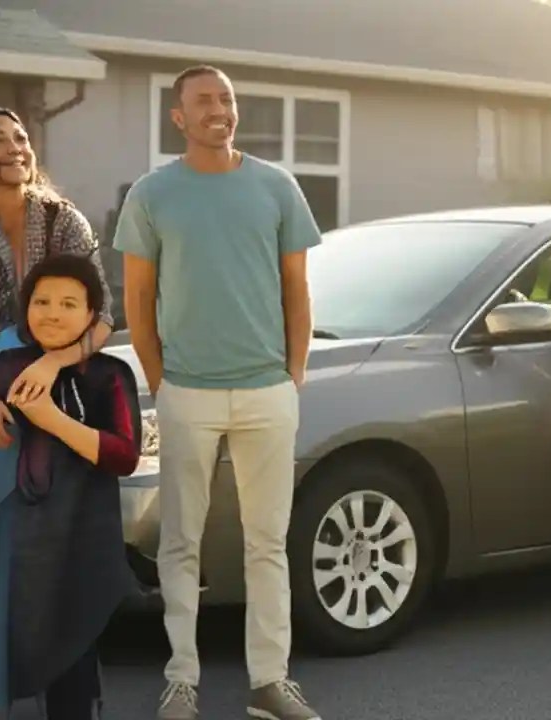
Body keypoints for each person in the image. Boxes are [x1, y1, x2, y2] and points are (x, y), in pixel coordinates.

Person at [113, 65, 323, 720]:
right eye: (204, 100)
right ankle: (182, 679)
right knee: (180, 541)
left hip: (267, 392)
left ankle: (270, 682)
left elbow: (297, 290)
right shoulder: (152, 194)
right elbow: (138, 299)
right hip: (187, 395)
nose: (219, 109)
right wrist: (161, 383)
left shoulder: (276, 187)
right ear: (178, 116)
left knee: (267, 543)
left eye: (227, 98)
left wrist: (292, 379)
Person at [0, 107, 119, 717]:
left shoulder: (64, 221)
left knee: (67, 567)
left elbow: (103, 317)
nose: (18, 148)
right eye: (2, 139)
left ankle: (73, 708)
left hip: (69, 411)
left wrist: (53, 365)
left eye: (23, 138)